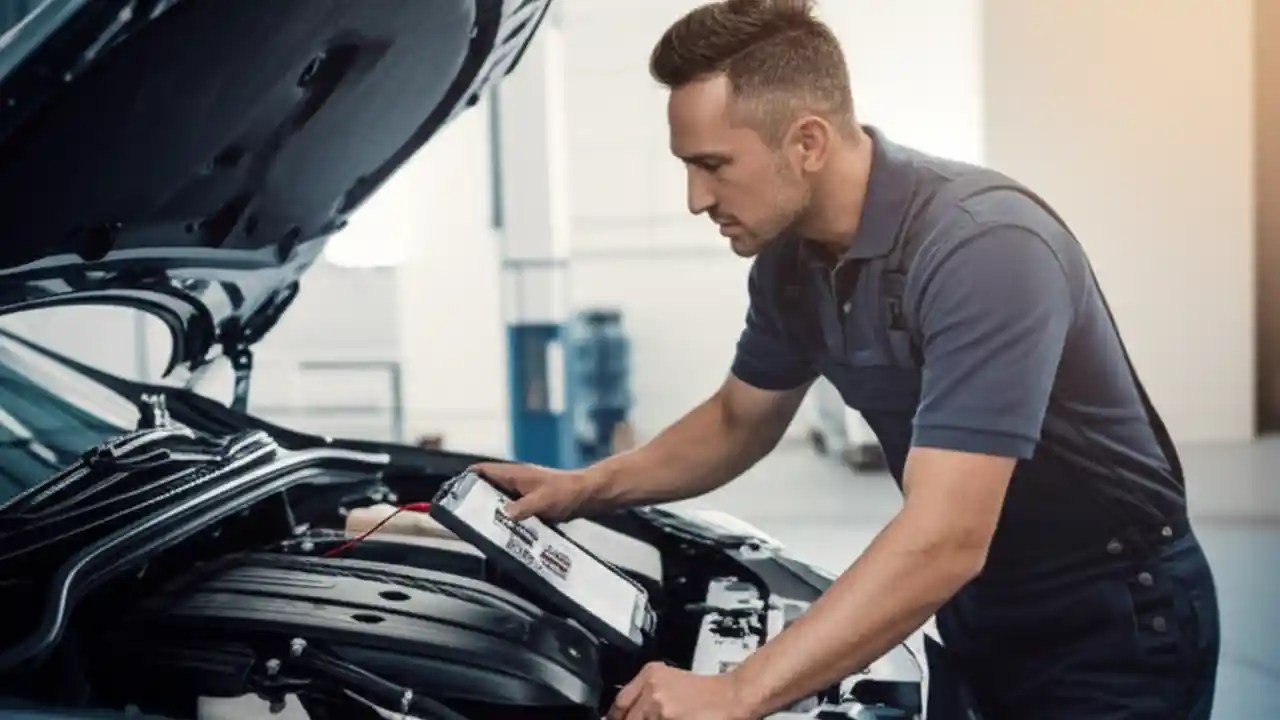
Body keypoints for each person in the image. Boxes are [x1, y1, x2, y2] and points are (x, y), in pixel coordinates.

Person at [473, 1, 1221, 718]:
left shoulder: (984, 249)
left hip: (1114, 620)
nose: (695, 198)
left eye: (713, 165)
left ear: (807, 142)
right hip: (982, 609)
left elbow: (947, 535)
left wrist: (738, 693)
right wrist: (583, 488)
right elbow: (739, 421)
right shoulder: (789, 265)